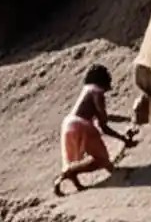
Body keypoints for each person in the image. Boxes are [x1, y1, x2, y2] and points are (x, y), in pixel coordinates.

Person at [54, 64, 138, 195]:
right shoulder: (98, 92)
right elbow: (103, 124)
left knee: (72, 158)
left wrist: (124, 122)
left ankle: (74, 182)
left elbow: (100, 116)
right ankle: (69, 172)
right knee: (101, 158)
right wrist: (124, 139)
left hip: (68, 123)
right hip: (82, 124)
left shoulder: (87, 89)